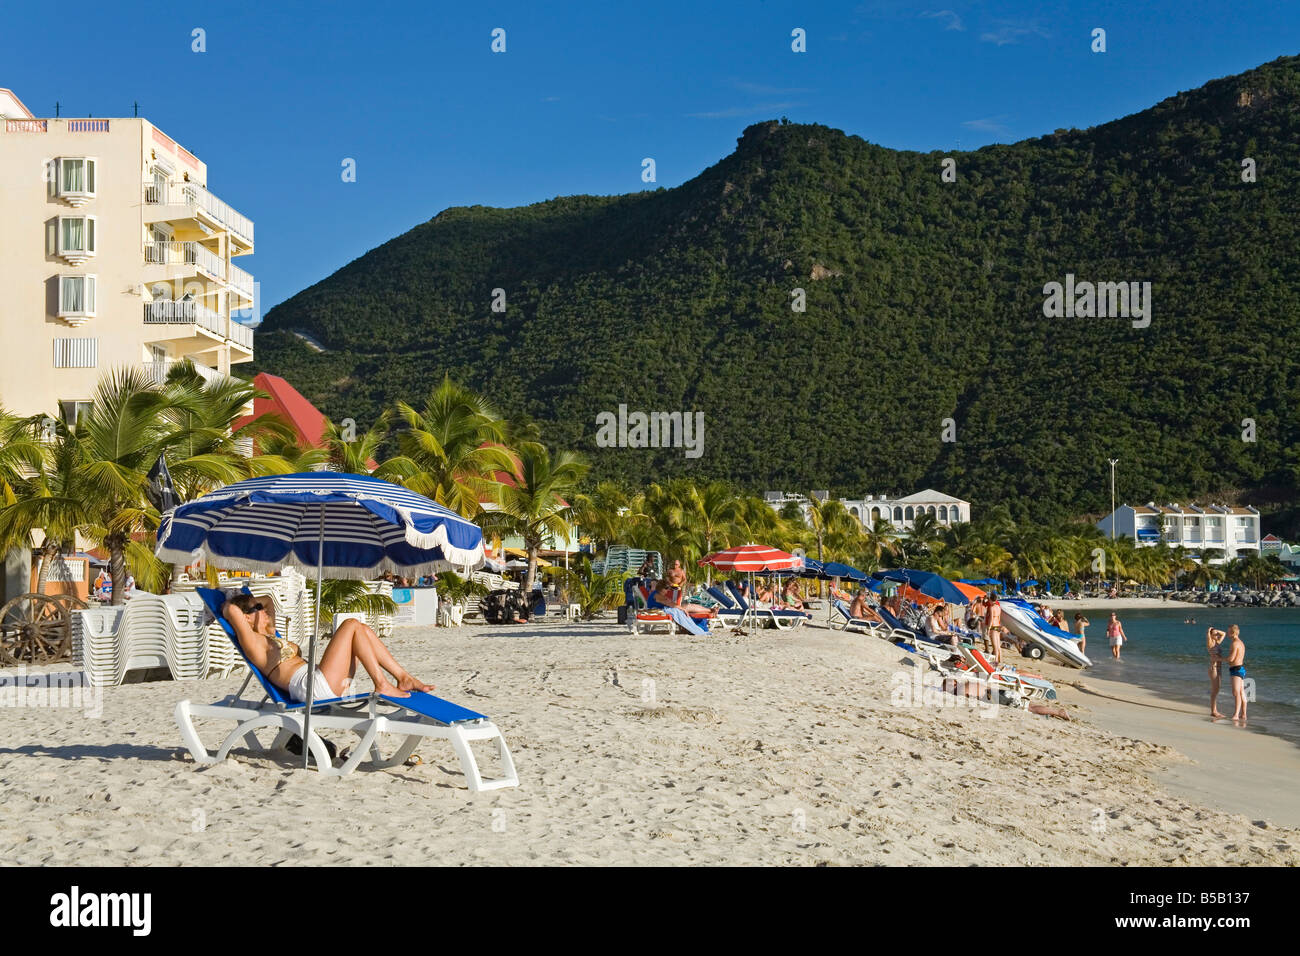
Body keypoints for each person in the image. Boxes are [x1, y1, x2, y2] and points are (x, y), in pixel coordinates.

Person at [222, 592, 432, 703]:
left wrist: (253, 603)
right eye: (257, 609)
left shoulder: (270, 635)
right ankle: (382, 683)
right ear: (246, 618)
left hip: (324, 682)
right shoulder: (253, 643)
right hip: (312, 687)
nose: (264, 610)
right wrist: (238, 599)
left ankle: (403, 677)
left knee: (362, 629)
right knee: (350, 624)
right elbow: (231, 609)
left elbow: (268, 599)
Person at [1224, 625, 1248, 722]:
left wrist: (1219, 659)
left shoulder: (1235, 643)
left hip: (1236, 669)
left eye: (1229, 631)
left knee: (1236, 692)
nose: (1227, 633)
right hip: (1240, 669)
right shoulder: (1241, 643)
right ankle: (1244, 714)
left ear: (1233, 633)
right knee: (1241, 692)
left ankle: (1236, 715)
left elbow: (1231, 658)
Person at [1206, 626, 1227, 719]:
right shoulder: (1210, 644)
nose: (1217, 635)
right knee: (1215, 690)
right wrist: (1209, 631)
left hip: (1219, 668)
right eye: (1214, 634)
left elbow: (1224, 634)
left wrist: (1217, 631)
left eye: (1216, 634)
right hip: (1213, 668)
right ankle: (1213, 711)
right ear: (1210, 635)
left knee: (1217, 689)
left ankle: (1214, 710)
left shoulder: (1217, 643)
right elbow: (1208, 637)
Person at [984, 591, 1006, 664]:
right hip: (998, 626)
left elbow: (990, 619)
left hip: (993, 627)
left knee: (995, 647)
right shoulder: (998, 607)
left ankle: (996, 662)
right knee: (998, 647)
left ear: (990, 599)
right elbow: (999, 618)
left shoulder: (991, 607)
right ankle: (1000, 660)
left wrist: (988, 628)